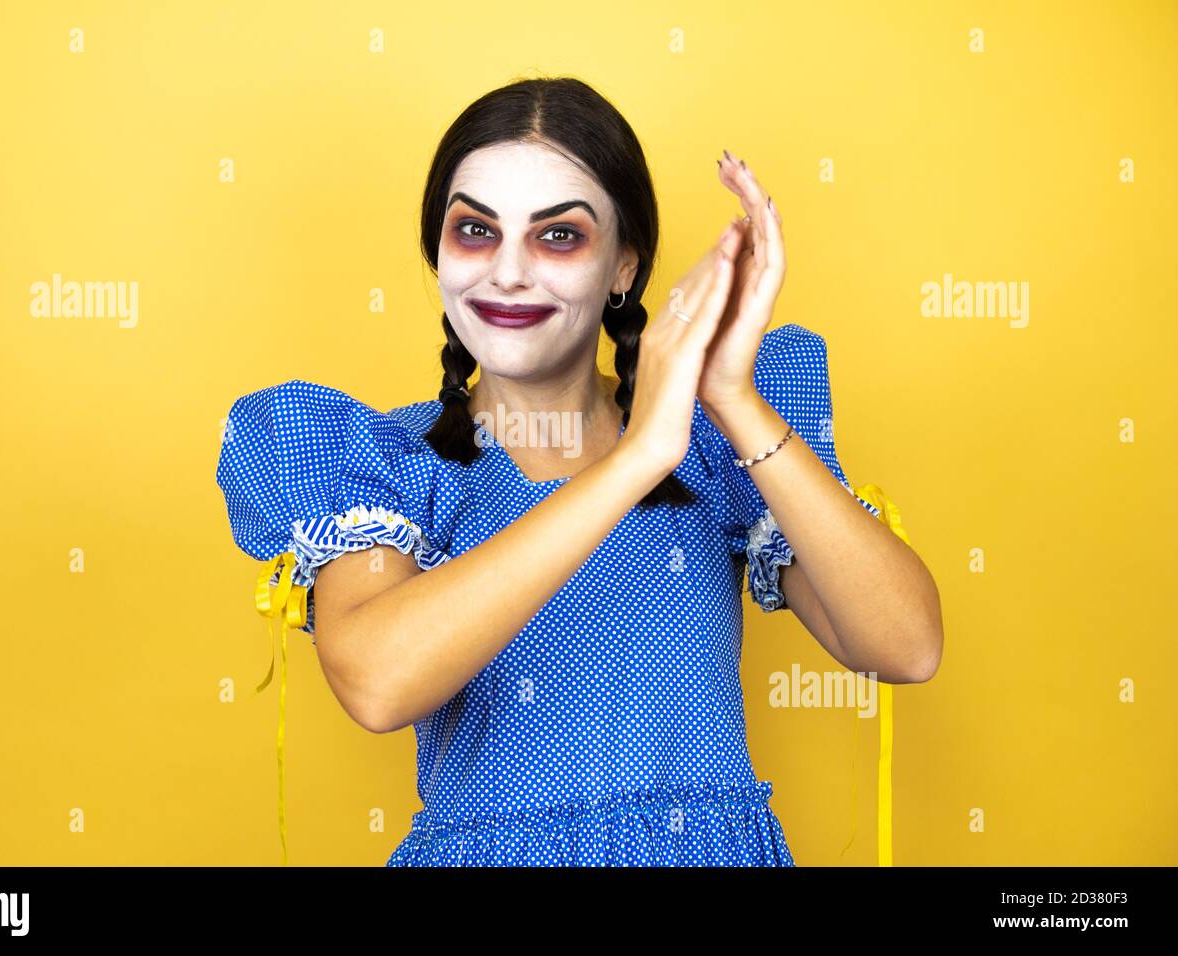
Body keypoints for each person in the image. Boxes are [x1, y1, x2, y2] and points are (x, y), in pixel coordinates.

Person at [217, 76, 943, 866]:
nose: (508, 273)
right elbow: (376, 685)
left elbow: (905, 647)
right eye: (475, 232)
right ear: (439, 253)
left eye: (558, 236)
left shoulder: (711, 446)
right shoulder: (389, 466)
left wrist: (730, 396)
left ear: (624, 266)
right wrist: (634, 462)